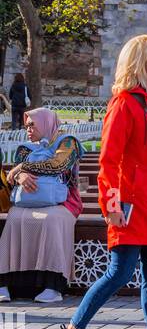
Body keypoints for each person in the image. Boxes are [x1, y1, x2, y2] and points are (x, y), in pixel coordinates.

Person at [65, 35, 147, 329]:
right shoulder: (123, 104)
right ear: (140, 62)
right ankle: (75, 328)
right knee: (118, 274)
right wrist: (111, 206)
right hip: (130, 206)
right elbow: (109, 162)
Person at [0, 108, 83, 304]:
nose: (28, 129)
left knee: (50, 219)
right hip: (28, 200)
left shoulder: (67, 142)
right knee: (15, 217)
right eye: (26, 125)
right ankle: (6, 282)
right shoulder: (25, 148)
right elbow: (13, 175)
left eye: (32, 124)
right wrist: (20, 175)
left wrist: (24, 167)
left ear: (45, 123)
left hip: (63, 201)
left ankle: (52, 285)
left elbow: (58, 165)